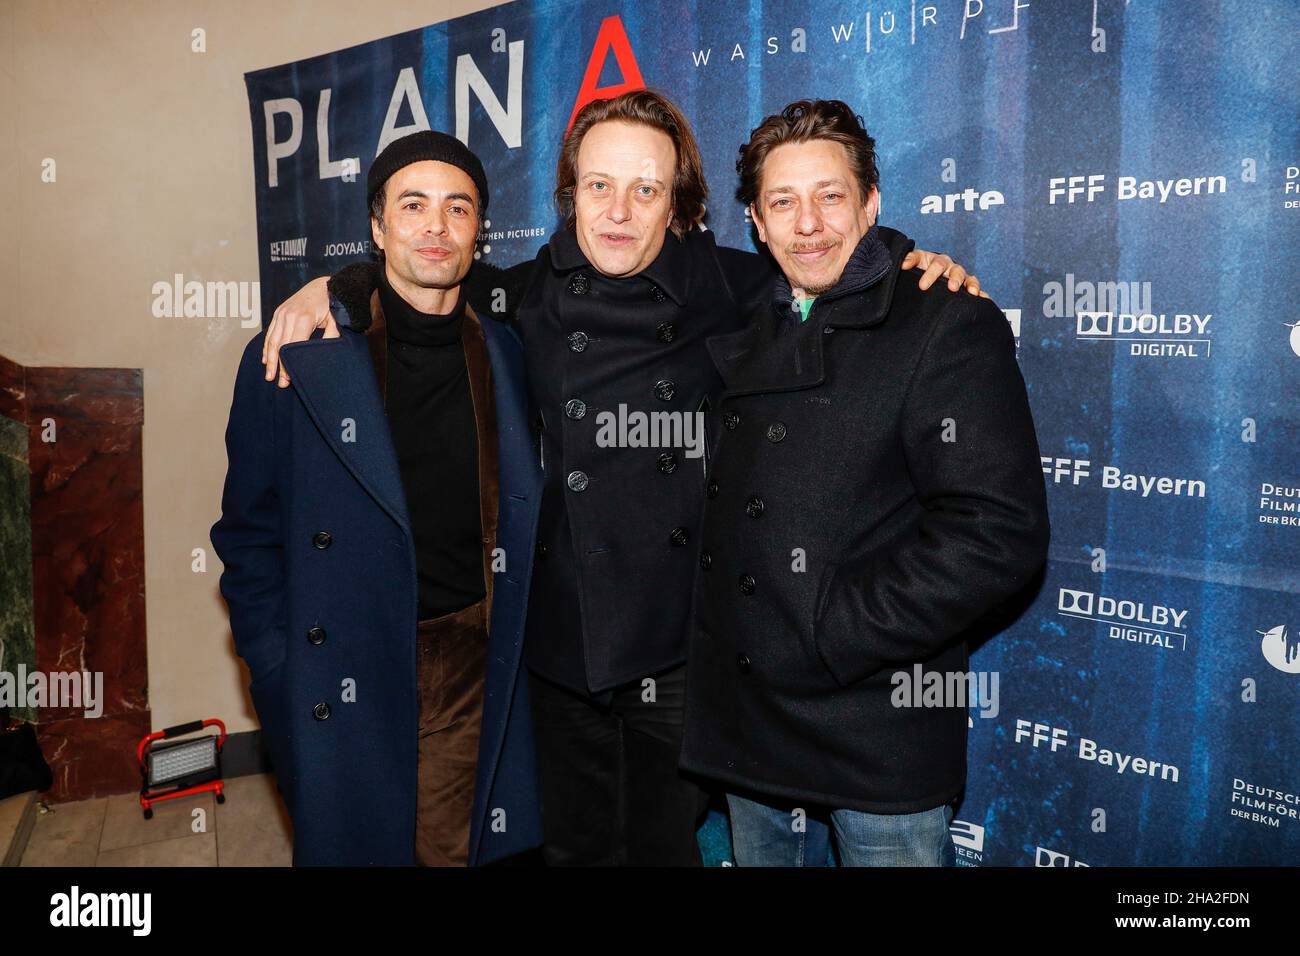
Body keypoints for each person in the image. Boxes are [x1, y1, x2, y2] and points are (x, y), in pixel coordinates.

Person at [260, 90, 984, 866]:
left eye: (646, 189)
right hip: (558, 642)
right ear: (571, 195)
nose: (619, 211)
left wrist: (912, 261)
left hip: (677, 648)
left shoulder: (733, 288)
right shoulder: (524, 292)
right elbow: (423, 277)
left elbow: (829, 259)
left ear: (679, 206)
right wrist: (332, 289)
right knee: (567, 849)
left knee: (661, 849)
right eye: (599, 186)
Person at [678, 99, 1051, 866]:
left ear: (871, 203)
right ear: (755, 219)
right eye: (783, 202)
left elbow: (997, 533)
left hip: (875, 720)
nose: (808, 224)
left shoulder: (944, 320)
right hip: (750, 715)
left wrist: (834, 629)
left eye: (831, 195)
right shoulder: (753, 317)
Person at [210, 130, 542, 866]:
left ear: (479, 231)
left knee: (447, 853)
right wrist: (276, 663)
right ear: (376, 227)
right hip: (343, 661)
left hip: (465, 659)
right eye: (413, 204)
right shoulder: (297, 356)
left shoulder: (507, 352)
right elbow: (246, 534)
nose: (435, 225)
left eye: (457, 208)